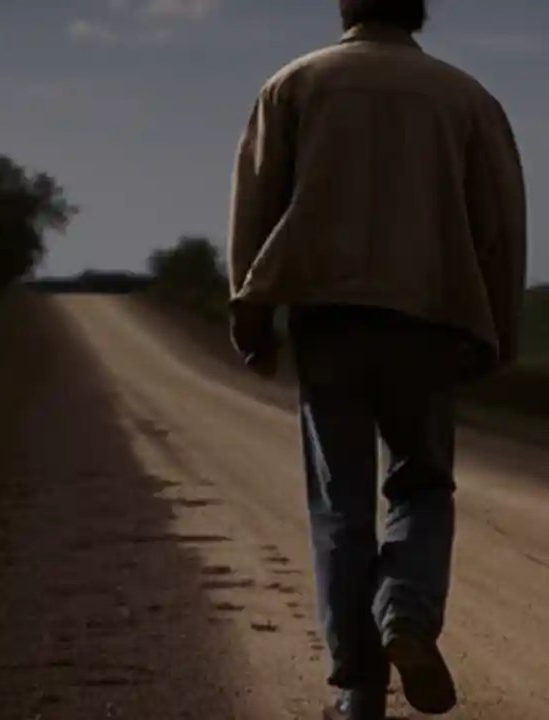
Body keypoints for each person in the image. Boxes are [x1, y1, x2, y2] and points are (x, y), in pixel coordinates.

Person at [226, 0, 527, 717]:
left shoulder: (295, 84)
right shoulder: (466, 97)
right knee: (421, 483)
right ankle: (407, 619)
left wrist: (251, 313)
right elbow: (501, 223)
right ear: (419, 11)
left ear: (346, 7)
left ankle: (359, 691)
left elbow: (256, 203)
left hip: (327, 322)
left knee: (341, 505)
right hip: (427, 321)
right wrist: (499, 331)